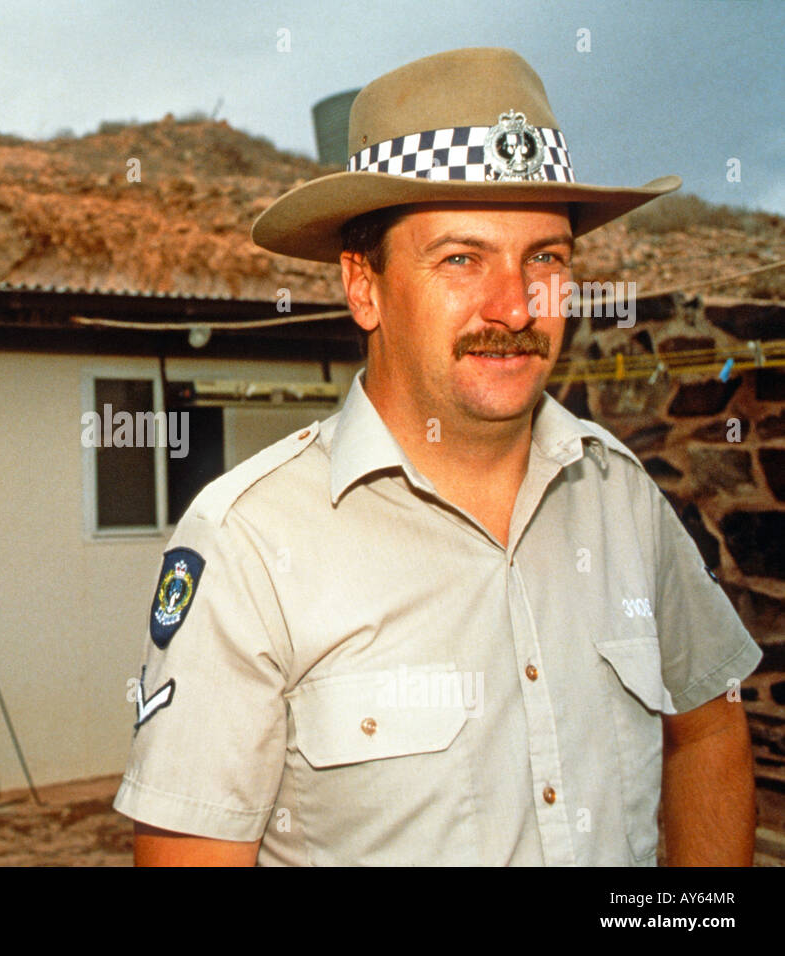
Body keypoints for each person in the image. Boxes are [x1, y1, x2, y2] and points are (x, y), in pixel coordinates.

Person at [112, 47, 762, 866]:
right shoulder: (248, 541)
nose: (516, 307)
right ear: (365, 285)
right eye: (461, 258)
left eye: (546, 259)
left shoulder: (620, 494)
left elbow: (707, 725)